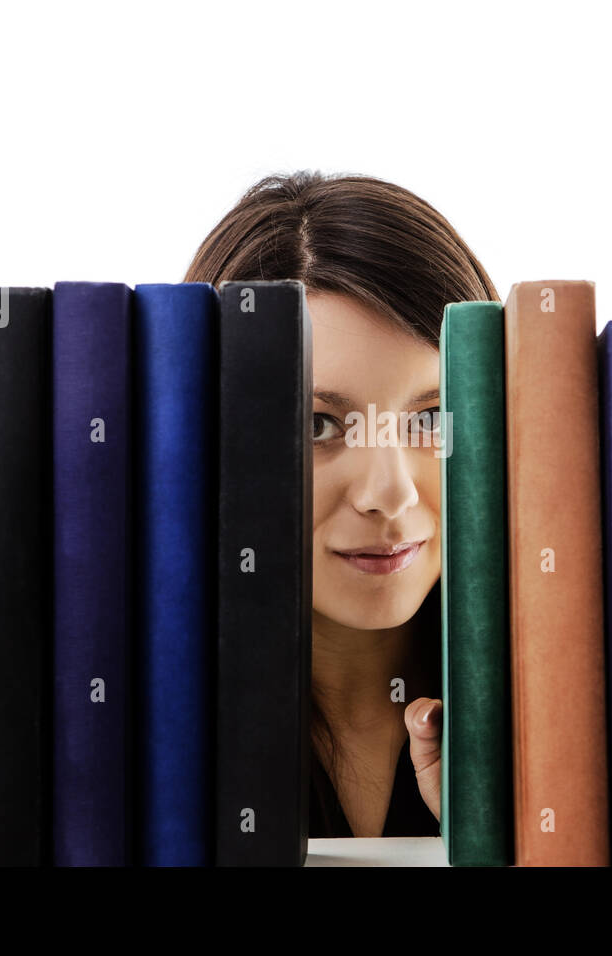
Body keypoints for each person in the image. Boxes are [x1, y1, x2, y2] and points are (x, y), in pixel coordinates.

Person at [184, 170, 498, 837]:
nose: (390, 493)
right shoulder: (149, 740)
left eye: (432, 417)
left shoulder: (565, 716)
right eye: (317, 424)